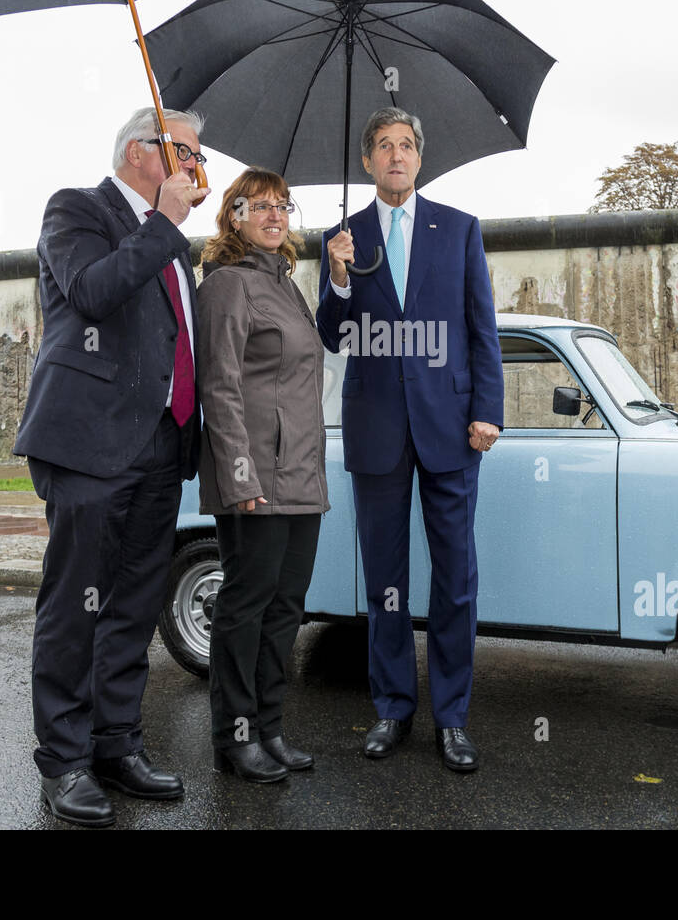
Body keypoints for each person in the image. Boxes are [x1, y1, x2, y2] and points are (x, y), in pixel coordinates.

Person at [13, 107, 209, 827]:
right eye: (187, 152)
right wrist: (162, 223)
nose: (197, 167)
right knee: (75, 602)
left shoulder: (174, 241)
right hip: (89, 441)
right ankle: (63, 760)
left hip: (162, 443)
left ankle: (115, 741)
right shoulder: (77, 209)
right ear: (140, 152)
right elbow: (93, 292)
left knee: (131, 604)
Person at [316, 107, 504, 773]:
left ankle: (452, 716)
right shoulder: (344, 238)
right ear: (366, 160)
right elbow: (332, 337)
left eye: (405, 146)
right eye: (383, 146)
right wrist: (338, 278)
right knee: (386, 583)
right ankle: (393, 706)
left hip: (452, 428)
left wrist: (489, 409)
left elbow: (483, 329)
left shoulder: (457, 229)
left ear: (419, 159)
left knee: (455, 579)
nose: (395, 155)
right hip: (376, 431)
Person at [196, 168, 329, 782]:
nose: (275, 216)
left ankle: (270, 729)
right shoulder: (227, 284)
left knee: (287, 608)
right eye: (260, 207)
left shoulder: (289, 286)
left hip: (301, 474)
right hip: (255, 475)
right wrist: (240, 474)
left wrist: (346, 275)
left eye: (283, 206)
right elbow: (218, 386)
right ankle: (235, 737)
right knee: (245, 607)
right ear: (236, 216)